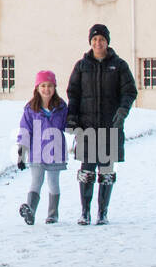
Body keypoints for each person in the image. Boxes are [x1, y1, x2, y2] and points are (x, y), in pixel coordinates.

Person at [65, 24, 137, 225]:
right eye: (95, 40)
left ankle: (102, 212)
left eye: (102, 40)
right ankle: (85, 212)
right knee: (86, 171)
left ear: (107, 42)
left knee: (106, 171)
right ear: (90, 42)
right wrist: (72, 118)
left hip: (110, 126)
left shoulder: (119, 65)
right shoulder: (81, 66)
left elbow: (129, 92)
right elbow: (73, 93)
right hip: (87, 126)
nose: (98, 43)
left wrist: (122, 112)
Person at [16, 70, 68, 225]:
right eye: (43, 86)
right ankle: (30, 210)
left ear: (55, 87)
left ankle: (53, 214)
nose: (47, 89)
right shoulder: (31, 109)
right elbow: (25, 131)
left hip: (55, 151)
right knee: (36, 181)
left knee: (53, 183)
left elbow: (69, 125)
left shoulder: (61, 107)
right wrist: (21, 153)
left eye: (50, 86)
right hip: (37, 152)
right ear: (37, 88)